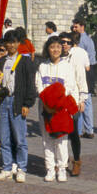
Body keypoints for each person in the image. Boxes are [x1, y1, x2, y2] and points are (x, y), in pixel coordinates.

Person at [0, 30, 36, 183]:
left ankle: (21, 168)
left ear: (18, 43)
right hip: (3, 101)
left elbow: (30, 85)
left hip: (17, 101)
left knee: (20, 139)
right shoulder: (2, 60)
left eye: (14, 42)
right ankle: (6, 167)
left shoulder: (25, 61)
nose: (11, 45)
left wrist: (27, 103)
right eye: (8, 42)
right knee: (4, 137)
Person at [36, 35, 77, 181]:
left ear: (62, 49)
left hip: (61, 110)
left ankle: (62, 169)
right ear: (48, 48)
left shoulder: (67, 67)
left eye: (58, 47)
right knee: (47, 140)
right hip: (45, 109)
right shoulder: (42, 66)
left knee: (61, 141)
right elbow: (39, 86)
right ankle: (50, 169)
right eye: (52, 47)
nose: (55, 50)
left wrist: (56, 103)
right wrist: (47, 103)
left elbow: (70, 87)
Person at [58, 31, 90, 175]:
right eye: (62, 42)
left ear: (72, 44)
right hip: (58, 101)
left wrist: (82, 99)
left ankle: (76, 160)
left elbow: (81, 79)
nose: (65, 45)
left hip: (72, 100)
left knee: (73, 132)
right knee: (60, 133)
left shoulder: (75, 59)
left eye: (68, 42)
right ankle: (61, 161)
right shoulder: (55, 58)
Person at [71, 17, 97, 137]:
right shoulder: (87, 40)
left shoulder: (84, 41)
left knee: (84, 100)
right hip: (87, 70)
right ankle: (88, 129)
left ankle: (83, 129)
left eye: (76, 26)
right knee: (86, 101)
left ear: (82, 26)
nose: (73, 28)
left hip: (86, 71)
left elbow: (89, 60)